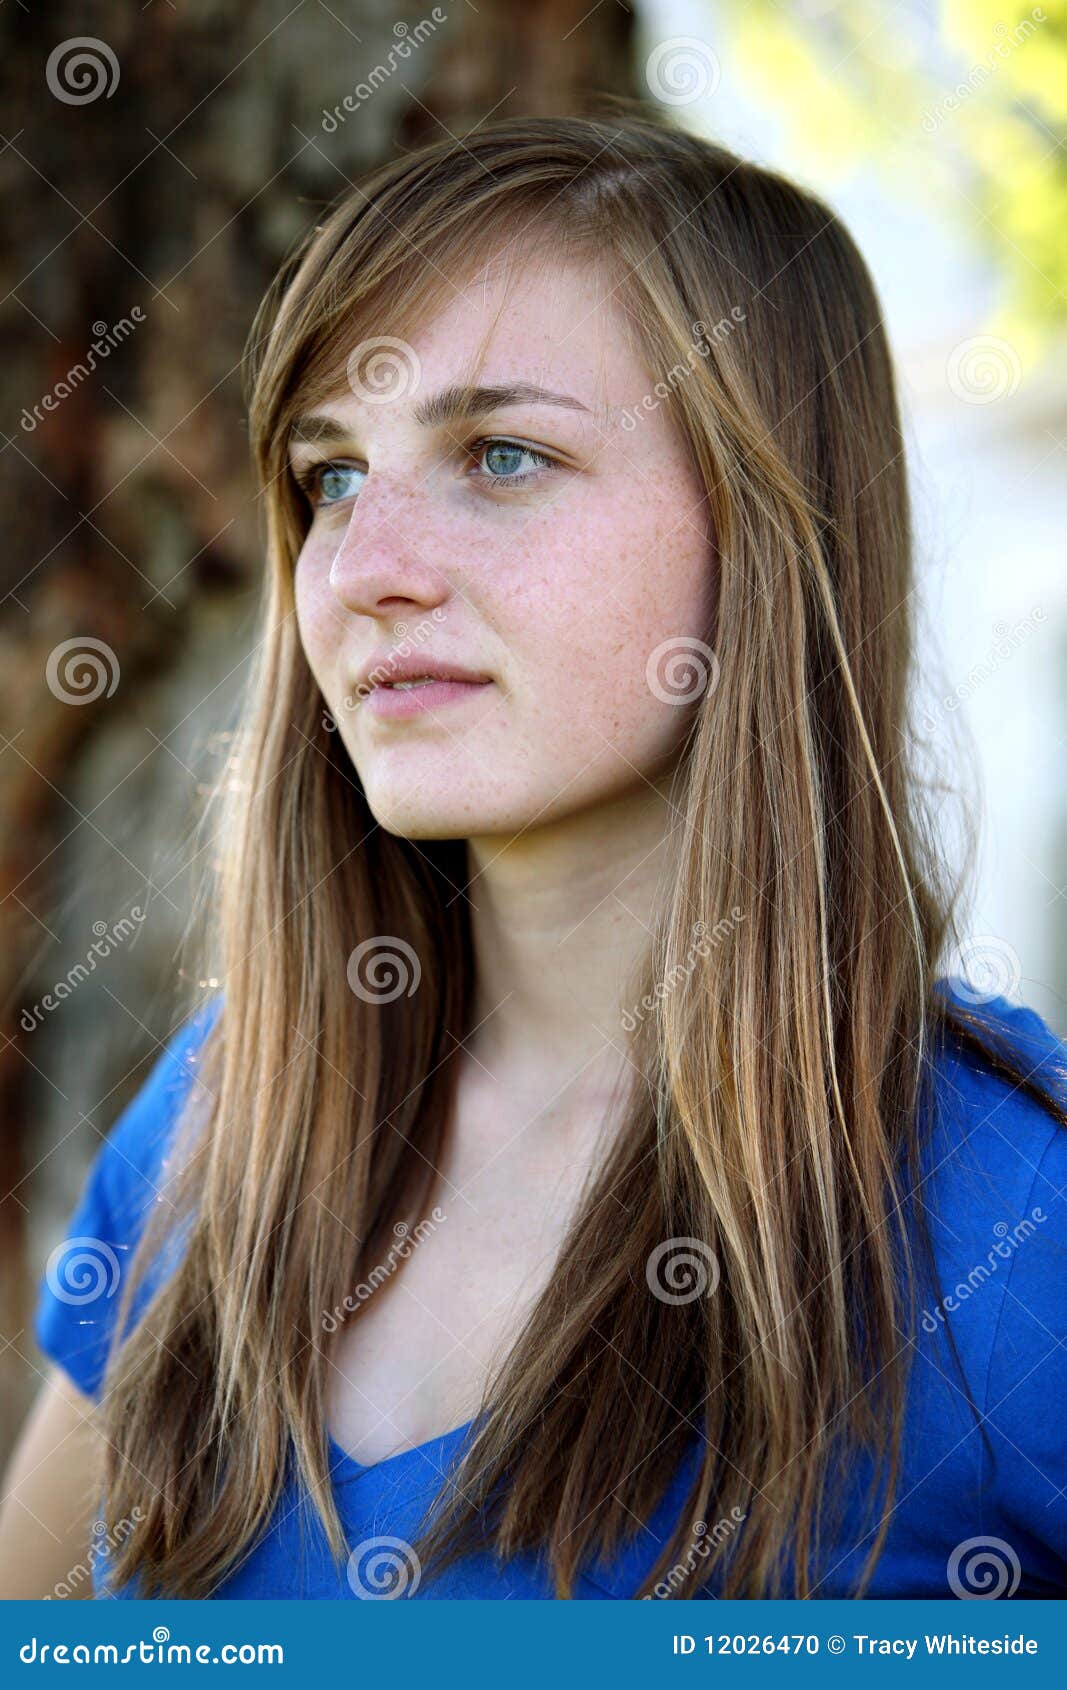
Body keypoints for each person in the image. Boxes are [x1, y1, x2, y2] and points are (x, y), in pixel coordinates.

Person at [2, 106, 1065, 1601]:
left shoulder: (1021, 1218)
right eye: (331, 477)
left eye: (501, 455)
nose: (364, 574)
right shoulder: (223, 1120)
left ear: (774, 521)